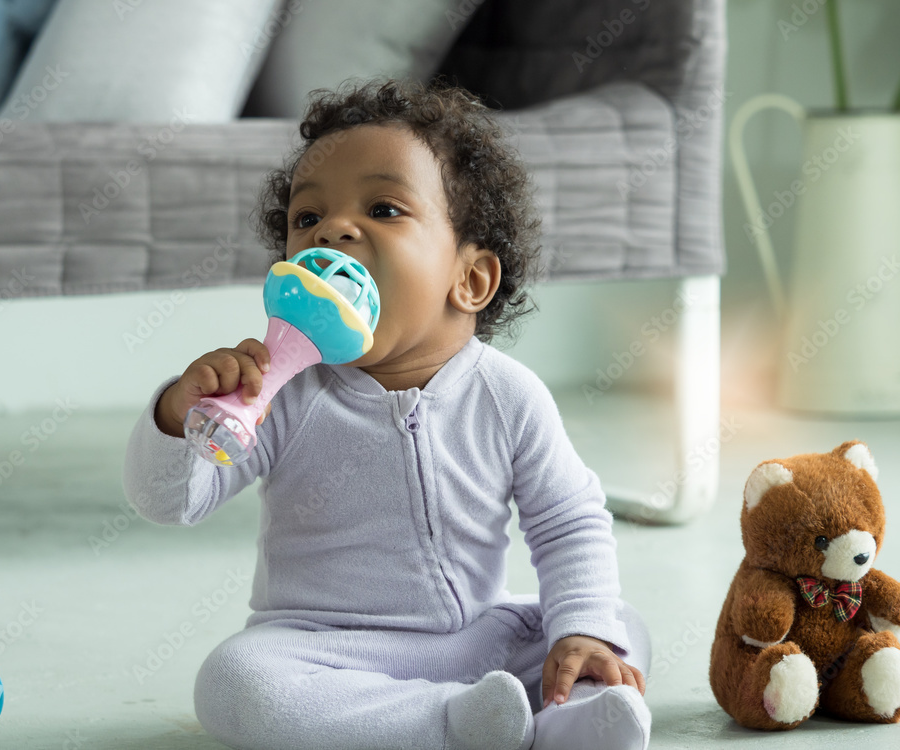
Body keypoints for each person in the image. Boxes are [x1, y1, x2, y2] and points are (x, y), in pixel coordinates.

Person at [124, 77, 651, 750]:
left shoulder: (507, 395)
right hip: (322, 650)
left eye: (383, 208)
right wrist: (182, 413)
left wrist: (581, 629)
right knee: (233, 682)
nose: (333, 230)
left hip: (478, 641)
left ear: (471, 280)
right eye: (306, 219)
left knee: (616, 628)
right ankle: (450, 723)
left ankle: (577, 720)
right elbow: (169, 502)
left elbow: (568, 521)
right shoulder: (281, 391)